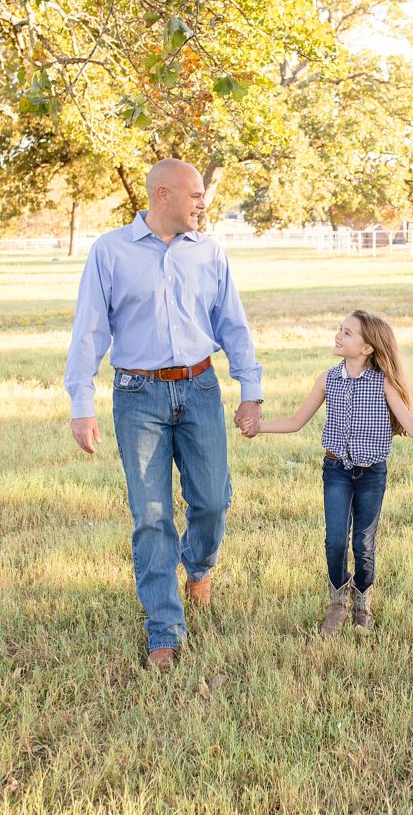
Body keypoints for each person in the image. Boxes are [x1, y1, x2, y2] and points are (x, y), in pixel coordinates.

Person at [65, 159, 263, 670]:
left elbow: (232, 325)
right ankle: (164, 629)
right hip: (138, 394)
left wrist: (250, 389)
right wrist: (81, 405)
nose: (203, 203)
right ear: (161, 196)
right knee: (151, 516)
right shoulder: (111, 252)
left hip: (199, 387)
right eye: (194, 194)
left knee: (214, 501)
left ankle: (197, 566)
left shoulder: (210, 254)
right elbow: (89, 331)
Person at [240, 310, 413, 637]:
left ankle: (362, 602)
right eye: (340, 329)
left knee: (363, 543)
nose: (339, 335)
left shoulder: (383, 384)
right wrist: (259, 427)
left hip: (371, 474)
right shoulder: (327, 379)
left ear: (368, 348)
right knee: (335, 539)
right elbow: (297, 421)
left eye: (348, 333)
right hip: (336, 469)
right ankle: (338, 600)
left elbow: (411, 426)